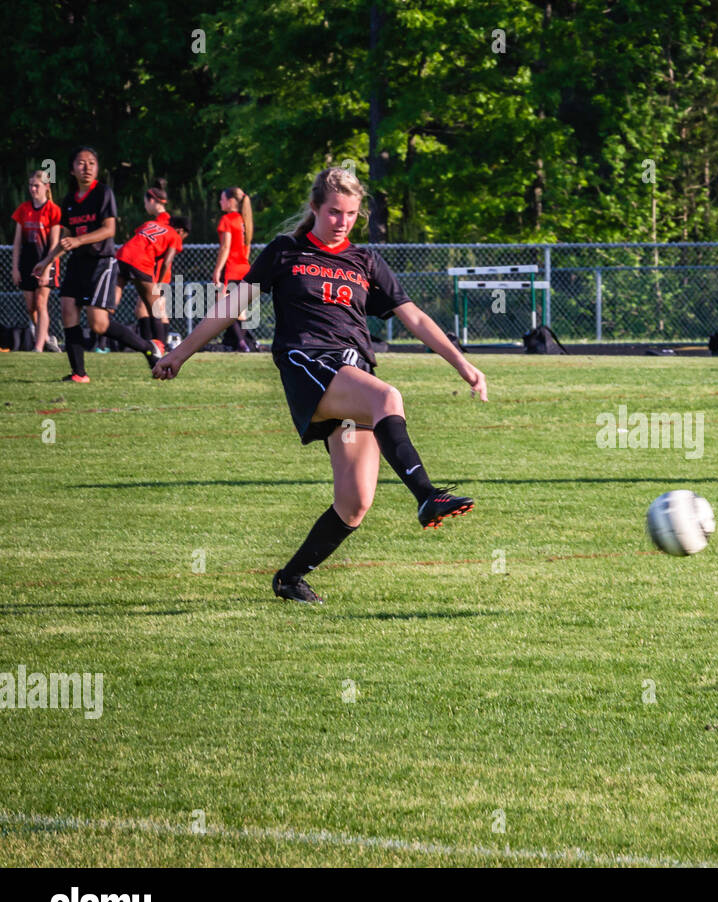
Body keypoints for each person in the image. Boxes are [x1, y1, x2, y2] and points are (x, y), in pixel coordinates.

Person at [152, 166, 488, 604]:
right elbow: (231, 304)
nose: (342, 221)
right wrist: (179, 354)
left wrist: (462, 364)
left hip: (352, 375)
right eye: (333, 212)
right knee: (387, 396)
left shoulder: (365, 261)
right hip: (307, 362)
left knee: (354, 504)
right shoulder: (286, 250)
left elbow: (416, 317)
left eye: (350, 213)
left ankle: (289, 579)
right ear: (314, 208)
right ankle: (427, 496)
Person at [30, 147, 164, 382]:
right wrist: (46, 261)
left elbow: (109, 230)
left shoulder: (103, 193)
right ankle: (79, 373)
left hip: (101, 264)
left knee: (99, 324)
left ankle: (148, 347)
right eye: (81, 163)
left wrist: (79, 240)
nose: (87, 168)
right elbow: (66, 236)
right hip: (77, 264)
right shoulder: (70, 200)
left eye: (91, 163)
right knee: (67, 311)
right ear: (72, 169)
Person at [114, 188, 187, 343]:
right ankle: (157, 346)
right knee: (157, 309)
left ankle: (152, 345)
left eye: (146, 202)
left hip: (149, 268)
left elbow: (163, 254)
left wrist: (158, 282)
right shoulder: (162, 223)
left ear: (152, 201)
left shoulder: (162, 222)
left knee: (145, 309)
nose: (145, 206)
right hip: (147, 266)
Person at [10, 169, 63, 353]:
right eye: (31, 185)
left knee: (41, 303)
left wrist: (47, 267)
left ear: (46, 186)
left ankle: (39, 347)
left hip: (45, 262)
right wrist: (15, 268)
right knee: (31, 306)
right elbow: (17, 242)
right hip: (27, 262)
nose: (33, 189)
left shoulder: (53, 210)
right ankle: (47, 337)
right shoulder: (23, 209)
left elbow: (55, 243)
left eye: (37, 185)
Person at [214, 186, 255, 351]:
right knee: (239, 309)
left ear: (231, 201)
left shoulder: (228, 219)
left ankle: (241, 343)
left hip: (230, 268)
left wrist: (217, 269)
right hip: (244, 268)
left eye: (222, 199)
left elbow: (225, 247)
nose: (220, 202)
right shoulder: (245, 220)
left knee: (223, 305)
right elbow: (248, 246)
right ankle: (240, 342)